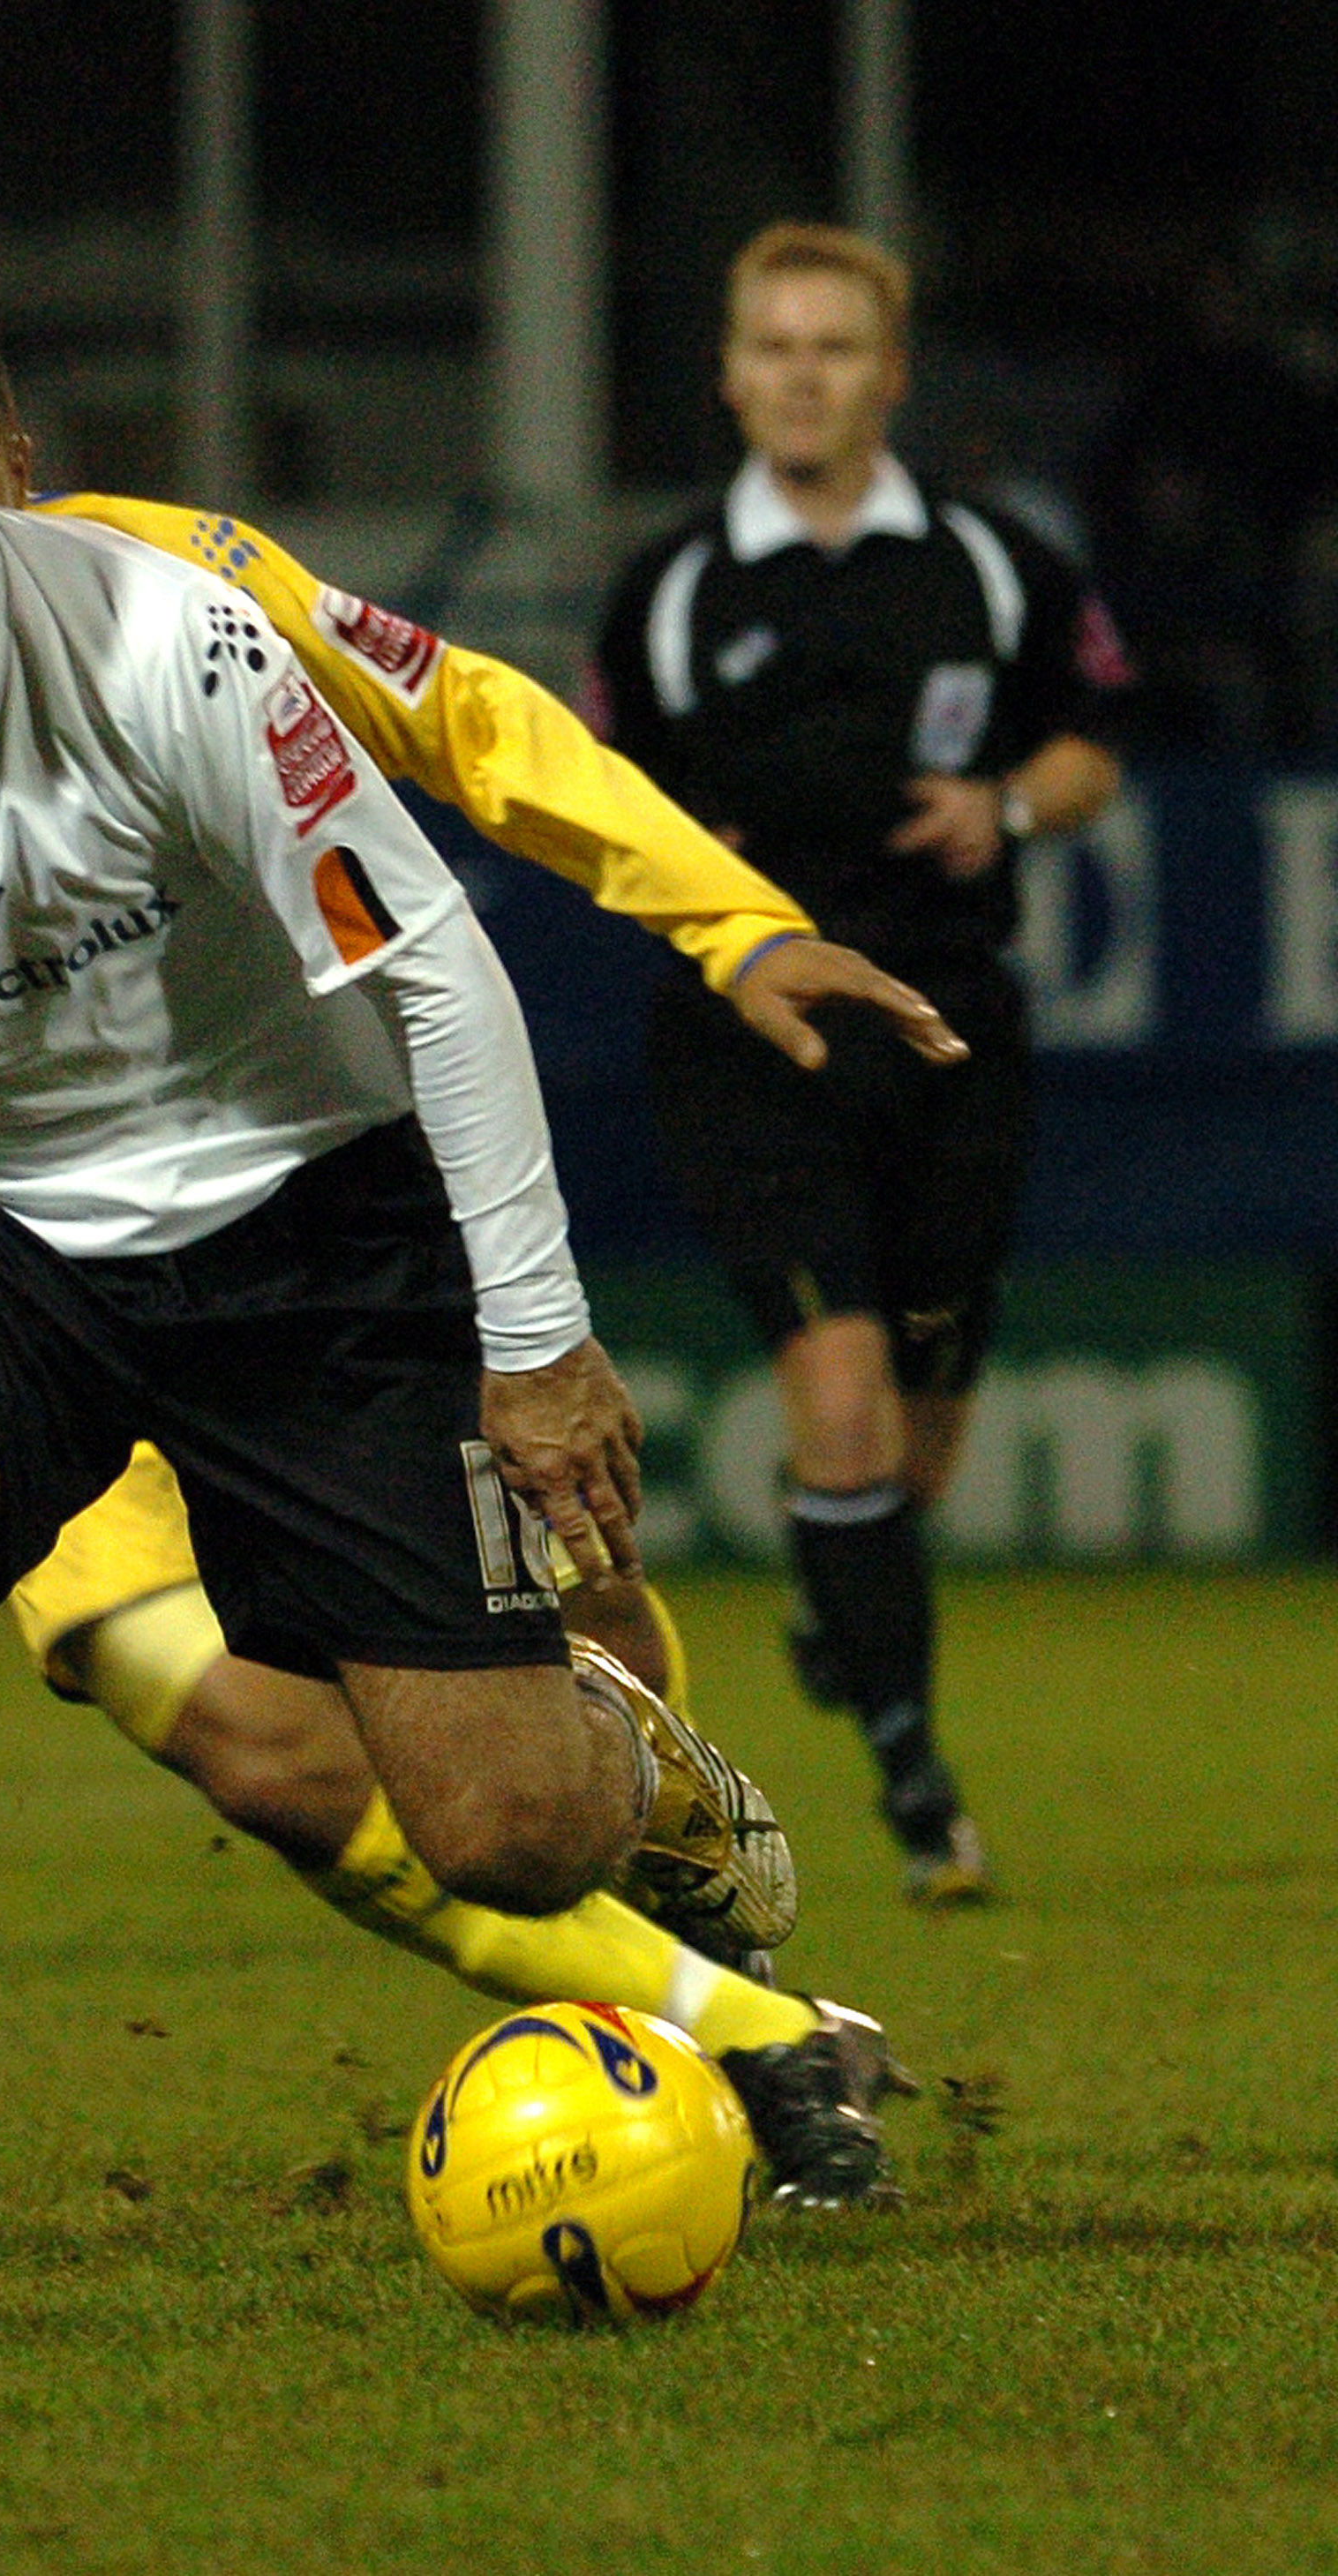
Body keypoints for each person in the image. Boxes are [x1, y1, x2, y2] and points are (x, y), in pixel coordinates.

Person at [0, 226, 940, 2302]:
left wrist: (534, 1351)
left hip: (313, 1214)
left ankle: (644, 1771)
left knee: (509, 1831)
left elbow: (429, 963)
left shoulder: (165, 623)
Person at [587, 223, 1130, 1904]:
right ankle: (915, 1780)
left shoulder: (990, 563)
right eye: (775, 347)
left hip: (957, 1033)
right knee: (837, 1407)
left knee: (918, 1448)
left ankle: (854, 1616)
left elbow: (1092, 746)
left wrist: (1008, 803)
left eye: (836, 349)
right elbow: (593, 795)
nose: (804, 377)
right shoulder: (672, 589)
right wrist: (685, 850)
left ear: (889, 375)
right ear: (733, 374)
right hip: (761, 1044)